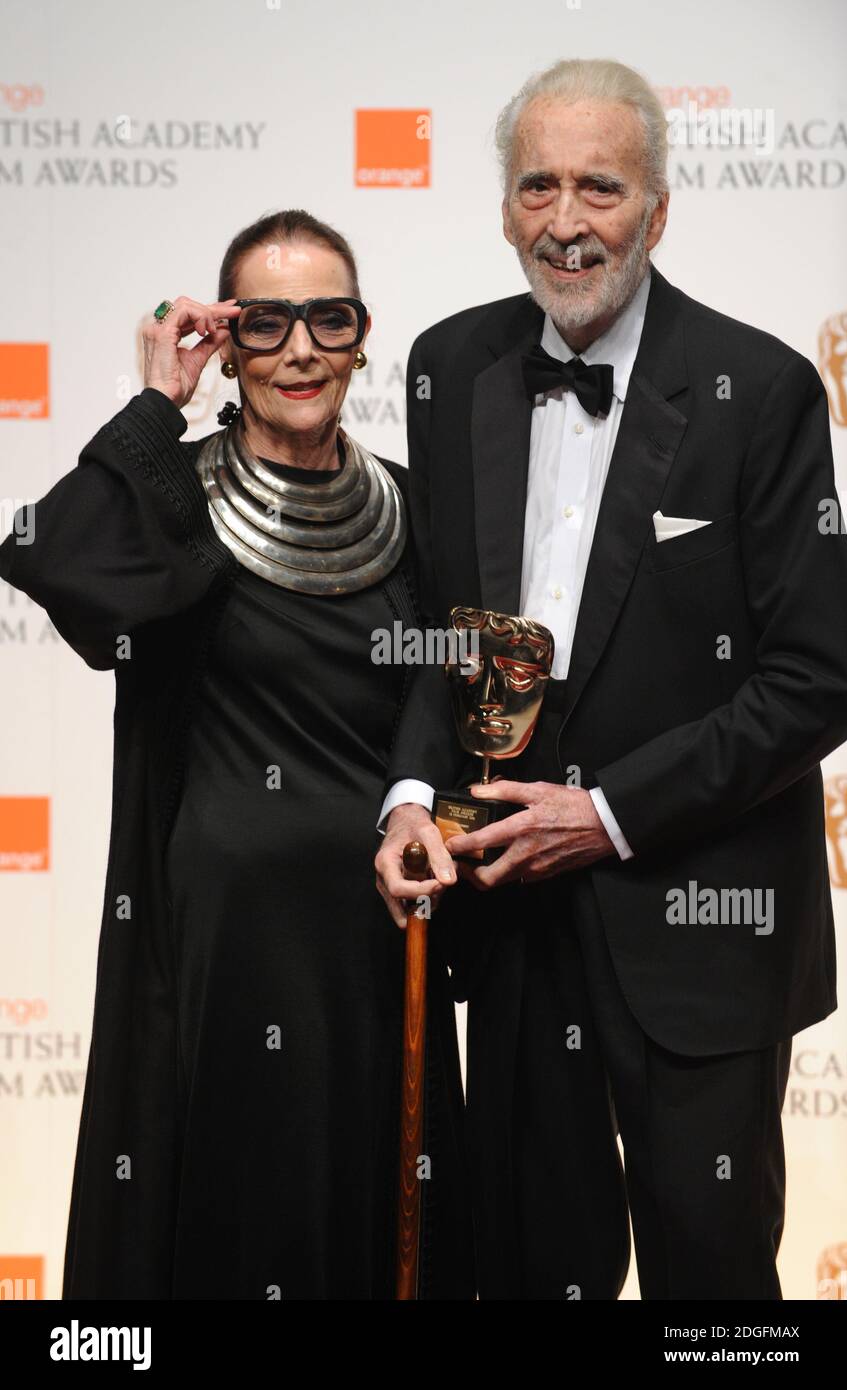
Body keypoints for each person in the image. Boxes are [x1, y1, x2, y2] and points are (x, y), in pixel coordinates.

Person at [375, 58, 847, 1300]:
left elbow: (817, 676)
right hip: (517, 917)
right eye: (538, 184)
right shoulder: (449, 366)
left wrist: (609, 814)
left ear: (658, 209)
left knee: (714, 1286)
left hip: (704, 922)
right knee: (534, 1270)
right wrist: (414, 789)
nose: (566, 219)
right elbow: (438, 625)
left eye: (600, 185)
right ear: (503, 206)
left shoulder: (766, 391)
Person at [0, 209, 474, 1300]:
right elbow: (45, 556)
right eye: (266, 322)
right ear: (229, 340)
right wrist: (155, 403)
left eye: (328, 318)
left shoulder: (420, 509)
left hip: (377, 926)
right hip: (222, 942)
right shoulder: (175, 499)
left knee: (379, 1205)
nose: (300, 347)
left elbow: (447, 698)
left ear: (363, 338)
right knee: (234, 1204)